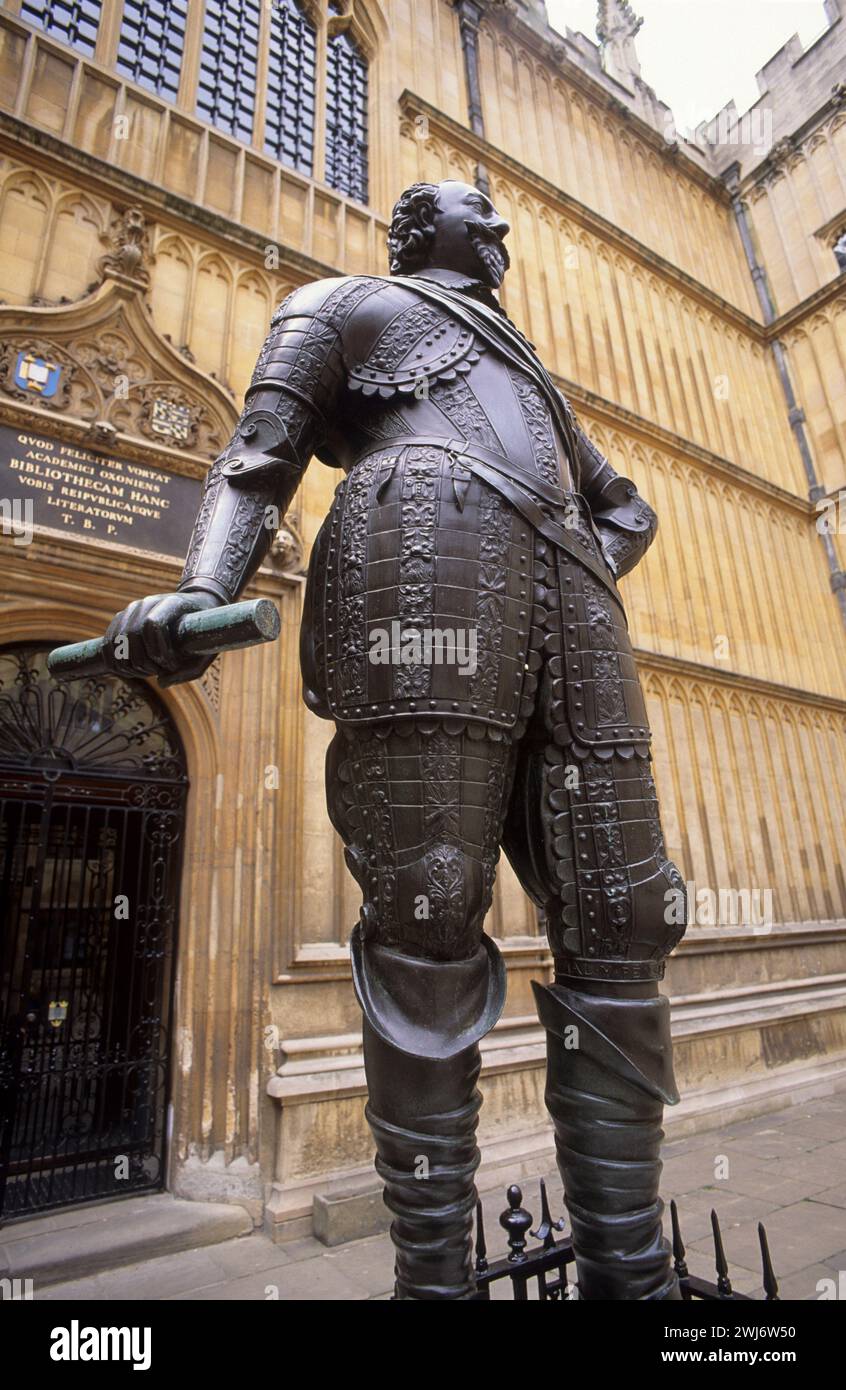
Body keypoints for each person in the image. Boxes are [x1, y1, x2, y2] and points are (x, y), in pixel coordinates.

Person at [104, 180, 687, 1300]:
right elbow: (255, 462)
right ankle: (435, 1280)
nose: (506, 232)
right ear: (421, 232)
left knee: (629, 913)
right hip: (427, 590)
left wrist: (552, 563)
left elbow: (628, 509)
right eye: (484, 215)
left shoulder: (531, 378)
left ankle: (635, 1273)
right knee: (430, 896)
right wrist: (198, 587)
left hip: (571, 620)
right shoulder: (342, 306)